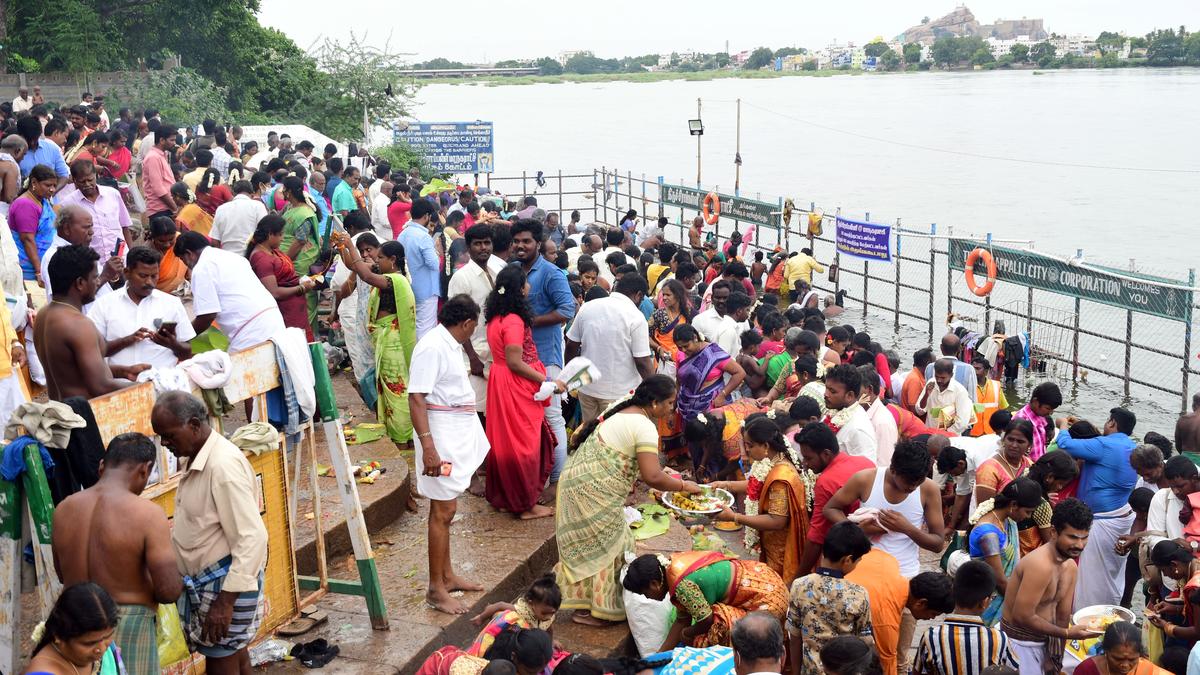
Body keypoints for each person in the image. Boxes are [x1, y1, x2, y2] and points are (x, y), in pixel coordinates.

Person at [555, 375, 698, 624]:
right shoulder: (645, 426)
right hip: (590, 489)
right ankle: (598, 611)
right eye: (670, 403)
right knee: (609, 544)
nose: (671, 409)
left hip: (579, 480)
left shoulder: (625, 402)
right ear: (654, 403)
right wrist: (685, 486)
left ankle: (587, 605)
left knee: (614, 542)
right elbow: (652, 476)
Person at [150, 391, 268, 674]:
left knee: (221, 661)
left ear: (193, 425)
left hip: (224, 589)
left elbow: (252, 537)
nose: (164, 444)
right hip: (214, 586)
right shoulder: (198, 457)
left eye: (168, 436)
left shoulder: (222, 467)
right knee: (236, 656)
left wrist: (224, 603)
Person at [51, 433, 183, 675]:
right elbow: (168, 591)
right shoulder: (148, 514)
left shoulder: (63, 508)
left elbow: (61, 574)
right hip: (126, 627)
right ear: (145, 471)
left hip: (74, 622)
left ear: (102, 465)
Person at [409, 295, 491, 614]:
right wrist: (429, 446)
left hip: (452, 435)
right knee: (443, 512)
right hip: (439, 439)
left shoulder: (450, 344)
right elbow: (416, 398)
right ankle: (434, 588)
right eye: (473, 327)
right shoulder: (432, 346)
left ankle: (447, 575)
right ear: (467, 323)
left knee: (448, 509)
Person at [482, 264, 558, 519]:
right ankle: (526, 505)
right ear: (518, 290)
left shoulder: (496, 317)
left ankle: (505, 498)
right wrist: (544, 378)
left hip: (500, 381)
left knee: (505, 443)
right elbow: (515, 362)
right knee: (524, 443)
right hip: (516, 384)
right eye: (525, 282)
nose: (529, 286)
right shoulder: (514, 320)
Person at [334, 236, 417, 443]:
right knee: (388, 388)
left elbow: (365, 275)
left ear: (393, 259)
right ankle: (397, 433)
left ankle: (403, 435)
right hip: (384, 338)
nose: (376, 261)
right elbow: (356, 266)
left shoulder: (395, 280)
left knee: (396, 389)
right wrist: (343, 248)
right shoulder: (387, 274)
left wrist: (351, 246)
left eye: (380, 257)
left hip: (393, 343)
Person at [35, 245, 146, 399]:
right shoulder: (78, 324)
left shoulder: (43, 315)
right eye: (95, 277)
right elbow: (101, 386)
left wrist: (122, 371)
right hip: (83, 416)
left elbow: (72, 369)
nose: (97, 282)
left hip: (60, 411)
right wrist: (150, 387)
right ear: (80, 283)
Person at [824, 439, 947, 578]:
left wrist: (907, 528)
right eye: (908, 482)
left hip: (904, 574)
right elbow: (830, 508)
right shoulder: (865, 479)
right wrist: (857, 531)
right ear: (893, 469)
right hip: (864, 570)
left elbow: (937, 544)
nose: (913, 487)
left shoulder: (929, 489)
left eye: (919, 482)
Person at [710, 415, 810, 585]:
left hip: (781, 548)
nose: (746, 450)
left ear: (765, 445)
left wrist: (734, 517)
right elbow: (757, 484)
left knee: (777, 587)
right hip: (771, 542)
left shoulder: (781, 477)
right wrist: (725, 485)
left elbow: (777, 521)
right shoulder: (773, 459)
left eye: (749, 445)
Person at [999, 498, 1094, 675]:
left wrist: (1055, 655)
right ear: (1053, 533)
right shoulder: (1039, 565)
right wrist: (1066, 633)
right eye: (1072, 537)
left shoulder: (1070, 566)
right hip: (1019, 646)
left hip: (1049, 643)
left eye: (1084, 538)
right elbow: (1022, 616)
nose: (1079, 545)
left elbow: (1062, 614)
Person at [511, 219, 575, 481]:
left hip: (546, 357)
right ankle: (537, 475)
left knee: (552, 418)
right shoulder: (512, 270)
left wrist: (527, 322)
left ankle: (557, 480)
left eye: (526, 241)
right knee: (527, 421)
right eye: (516, 241)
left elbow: (566, 310)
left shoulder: (551, 273)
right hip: (518, 358)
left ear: (538, 243)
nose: (520, 246)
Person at [1056, 408, 1139, 609]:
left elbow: (1064, 443)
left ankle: (1086, 616)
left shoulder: (1104, 444)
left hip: (1102, 520)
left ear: (1112, 423)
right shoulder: (1132, 447)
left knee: (1090, 574)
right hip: (1123, 517)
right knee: (1111, 573)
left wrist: (1063, 425)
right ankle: (1111, 610)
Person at [623, 551, 788, 651]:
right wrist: (660, 656)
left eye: (645, 594)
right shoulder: (676, 565)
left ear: (654, 584)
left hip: (767, 602)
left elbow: (705, 619)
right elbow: (682, 620)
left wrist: (687, 634)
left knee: (705, 637)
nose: (646, 598)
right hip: (767, 578)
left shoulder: (682, 587)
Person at [87, 246, 195, 375]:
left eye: (154, 276)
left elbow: (187, 352)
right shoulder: (104, 304)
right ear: (127, 273)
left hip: (163, 386)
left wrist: (172, 344)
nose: (149, 282)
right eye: (143, 276)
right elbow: (93, 352)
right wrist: (127, 340)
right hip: (119, 387)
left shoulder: (172, 304)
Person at [174, 232, 287, 352]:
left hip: (251, 332)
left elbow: (207, 315)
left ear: (189, 254)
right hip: (273, 320)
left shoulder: (202, 267)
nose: (185, 265)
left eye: (183, 260)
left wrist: (183, 338)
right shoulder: (232, 257)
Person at [787, 520, 874, 675]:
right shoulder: (858, 594)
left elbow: (794, 637)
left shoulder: (800, 585)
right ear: (847, 559)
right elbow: (865, 643)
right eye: (858, 561)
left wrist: (795, 672)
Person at [565, 273, 654, 423]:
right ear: (638, 295)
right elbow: (642, 362)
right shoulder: (636, 317)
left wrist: (573, 379)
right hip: (619, 394)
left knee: (588, 437)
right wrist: (656, 389)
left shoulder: (588, 307)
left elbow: (571, 346)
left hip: (587, 388)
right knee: (611, 441)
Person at [846, 558, 953, 675]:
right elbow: (887, 667)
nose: (931, 618)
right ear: (921, 603)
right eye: (933, 614)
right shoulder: (886, 621)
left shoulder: (889, 561)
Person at [796, 421, 876, 577]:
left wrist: (798, 577)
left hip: (850, 557)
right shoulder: (865, 462)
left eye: (808, 458)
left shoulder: (826, 482)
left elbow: (816, 537)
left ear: (826, 454)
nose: (805, 464)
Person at [913, 560, 1018, 675]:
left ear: (953, 592)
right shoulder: (999, 638)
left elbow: (917, 672)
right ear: (984, 602)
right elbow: (1015, 670)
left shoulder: (931, 637)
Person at [967, 477, 1042, 626]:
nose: (1028, 517)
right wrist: (1023, 607)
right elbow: (1000, 581)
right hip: (990, 601)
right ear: (1013, 505)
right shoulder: (989, 535)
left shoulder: (1006, 520)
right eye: (1027, 512)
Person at [24, 582, 124, 675]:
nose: (101, 649)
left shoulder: (106, 647)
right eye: (89, 643)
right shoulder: (43, 671)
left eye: (107, 636)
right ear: (59, 636)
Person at [246, 214, 316, 340]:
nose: (283, 238)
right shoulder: (261, 258)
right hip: (283, 311)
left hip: (294, 309)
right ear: (269, 234)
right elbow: (274, 292)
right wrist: (301, 288)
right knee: (292, 346)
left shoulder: (272, 251)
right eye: (280, 234)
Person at [467, 573, 560, 656]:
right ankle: (489, 613)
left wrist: (551, 642)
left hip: (527, 631)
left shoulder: (547, 616)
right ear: (531, 604)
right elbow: (500, 605)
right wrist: (481, 618)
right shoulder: (522, 611)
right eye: (545, 613)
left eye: (552, 613)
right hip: (510, 628)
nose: (549, 617)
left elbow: (549, 629)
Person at [59, 160, 133, 262]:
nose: (87, 184)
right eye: (82, 181)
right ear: (74, 180)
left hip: (121, 259)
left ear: (96, 176)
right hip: (93, 264)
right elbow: (66, 238)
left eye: (90, 180)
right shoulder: (67, 204)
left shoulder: (113, 194)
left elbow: (124, 227)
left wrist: (132, 256)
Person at [673, 323, 746, 424]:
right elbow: (679, 379)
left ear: (695, 338)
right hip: (686, 407)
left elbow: (740, 373)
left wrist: (723, 395)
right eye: (680, 347)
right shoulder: (680, 354)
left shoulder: (713, 353)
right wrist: (675, 402)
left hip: (711, 406)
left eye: (686, 346)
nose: (683, 350)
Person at [397, 198, 440, 338]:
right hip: (426, 289)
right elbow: (434, 264)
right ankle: (422, 358)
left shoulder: (403, 234)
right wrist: (437, 253)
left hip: (409, 287)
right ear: (426, 216)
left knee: (413, 327)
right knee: (425, 330)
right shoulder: (423, 236)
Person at [9, 163, 58, 281]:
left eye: (54, 185)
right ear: (34, 183)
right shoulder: (25, 204)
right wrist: (38, 271)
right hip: (29, 269)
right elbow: (27, 239)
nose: (52, 189)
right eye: (48, 185)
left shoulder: (42, 201)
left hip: (43, 265)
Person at [823, 364, 879, 463]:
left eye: (832, 391)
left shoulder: (858, 429)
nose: (826, 394)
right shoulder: (834, 411)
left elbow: (866, 469)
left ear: (850, 395)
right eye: (826, 388)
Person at [974, 419, 1036, 506]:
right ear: (1003, 440)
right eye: (1010, 439)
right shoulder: (989, 469)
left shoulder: (1029, 465)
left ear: (1029, 445)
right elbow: (984, 509)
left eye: (1020, 441)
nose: (1014, 445)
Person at [1074, 621, 1172, 675]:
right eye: (1118, 659)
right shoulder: (1087, 670)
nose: (1125, 665)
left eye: (1132, 659)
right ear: (1106, 651)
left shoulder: (1147, 670)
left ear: (1140, 654)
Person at [916, 358, 976, 434]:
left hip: (950, 437)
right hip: (929, 434)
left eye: (943, 378)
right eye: (937, 376)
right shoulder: (931, 383)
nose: (939, 380)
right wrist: (926, 395)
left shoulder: (960, 391)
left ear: (951, 375)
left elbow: (962, 422)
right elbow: (919, 411)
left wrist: (943, 433)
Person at [209, 180, 268, 253]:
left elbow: (215, 242)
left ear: (232, 193)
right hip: (250, 257)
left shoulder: (221, 209)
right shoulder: (258, 206)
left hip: (225, 256)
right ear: (252, 194)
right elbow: (265, 234)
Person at [859, 365, 900, 467]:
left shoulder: (882, 423)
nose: (850, 394)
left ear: (869, 390)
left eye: (856, 390)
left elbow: (884, 464)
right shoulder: (862, 410)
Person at [1012, 382, 1061, 461]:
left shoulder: (1040, 416)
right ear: (1035, 401)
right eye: (1048, 408)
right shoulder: (1021, 422)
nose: (1051, 413)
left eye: (1052, 409)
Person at [924, 334, 978, 402]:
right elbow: (972, 399)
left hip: (934, 411)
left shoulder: (930, 367)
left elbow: (927, 394)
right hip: (959, 411)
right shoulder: (969, 369)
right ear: (959, 349)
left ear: (941, 348)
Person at [141, 124, 177, 218]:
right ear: (161, 140)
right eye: (172, 140)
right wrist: (175, 208)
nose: (174, 143)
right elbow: (158, 189)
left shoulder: (162, 155)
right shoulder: (153, 157)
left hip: (165, 208)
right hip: (159, 210)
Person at [147, 215, 186, 293]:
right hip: (158, 296)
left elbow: (188, 263)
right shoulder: (147, 253)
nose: (167, 244)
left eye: (171, 239)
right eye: (161, 241)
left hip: (182, 290)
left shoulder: (179, 240)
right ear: (153, 237)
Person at [972, 356, 1008, 436]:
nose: (974, 371)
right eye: (972, 368)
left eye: (978, 369)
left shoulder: (996, 386)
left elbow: (1003, 409)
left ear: (986, 371)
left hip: (992, 432)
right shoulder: (966, 387)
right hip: (972, 433)